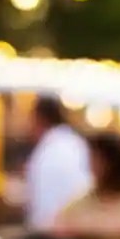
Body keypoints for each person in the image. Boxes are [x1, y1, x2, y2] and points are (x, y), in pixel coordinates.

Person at [23, 96, 91, 229]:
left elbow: (42, 208)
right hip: (72, 228)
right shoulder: (75, 144)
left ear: (39, 118)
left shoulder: (50, 150)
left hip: (54, 233)